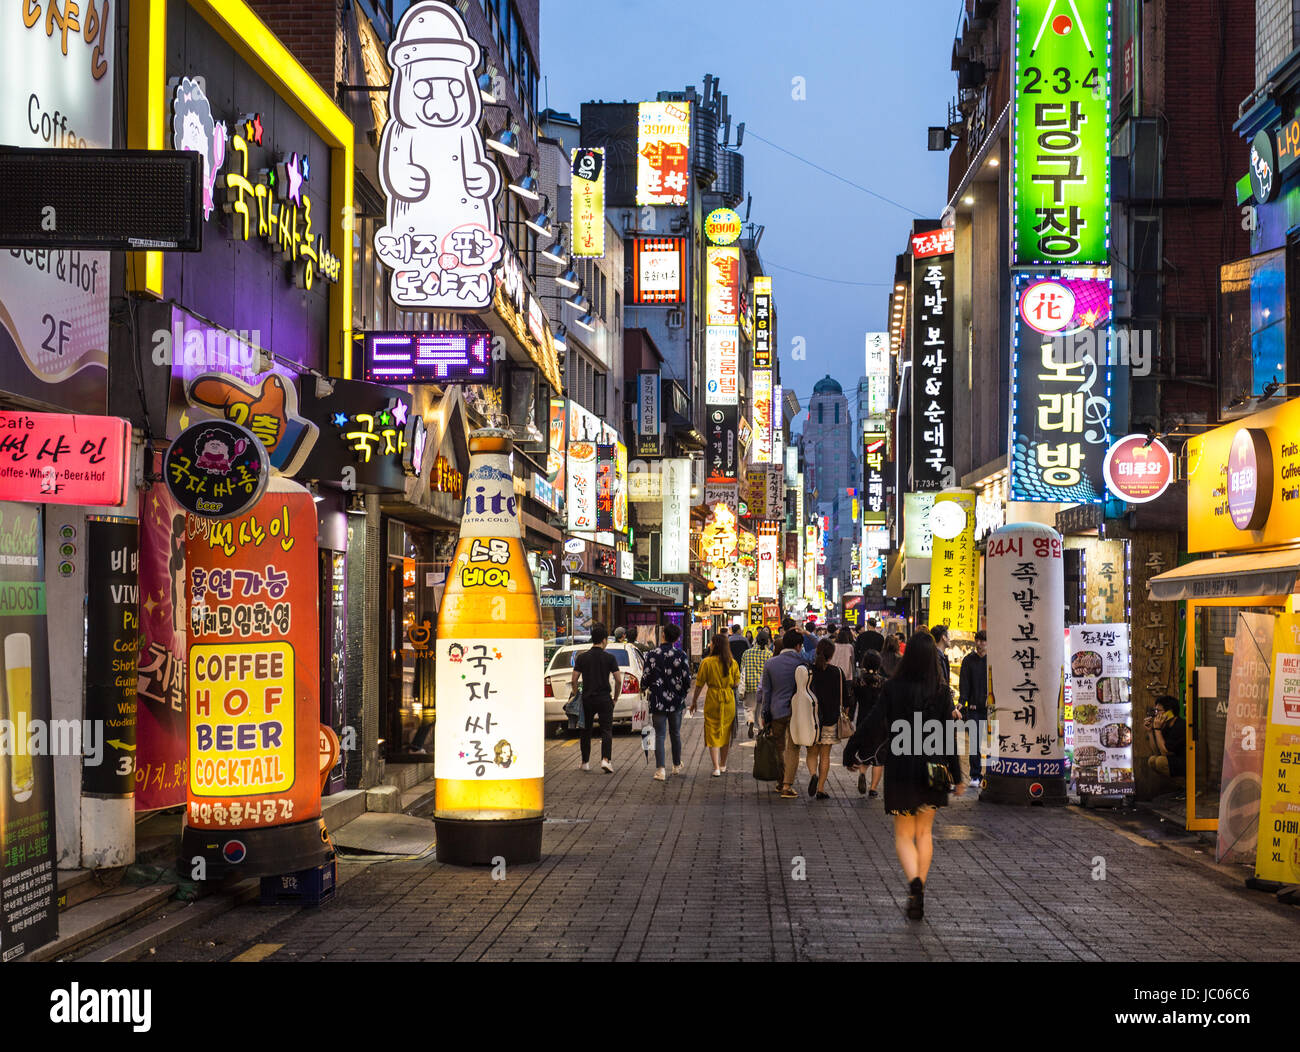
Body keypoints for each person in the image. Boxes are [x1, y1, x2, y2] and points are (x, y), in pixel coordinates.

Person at [880, 631, 965, 920]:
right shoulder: (941, 692)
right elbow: (946, 738)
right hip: (934, 769)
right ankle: (920, 889)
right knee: (924, 832)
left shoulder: (893, 688)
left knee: (903, 834)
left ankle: (914, 883)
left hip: (902, 767)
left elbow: (876, 722)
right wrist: (958, 775)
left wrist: (854, 750)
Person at [761, 629, 810, 799]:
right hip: (797, 711)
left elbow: (766, 692)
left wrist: (764, 713)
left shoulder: (770, 663)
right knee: (793, 748)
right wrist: (809, 634)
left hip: (776, 711)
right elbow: (821, 650)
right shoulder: (803, 661)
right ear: (798, 646)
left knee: (778, 747)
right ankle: (787, 785)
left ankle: (780, 781)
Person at [643, 622, 692, 781]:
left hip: (657, 700)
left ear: (662, 635)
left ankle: (660, 770)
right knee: (675, 733)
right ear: (676, 638)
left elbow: (645, 678)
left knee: (659, 735)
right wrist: (682, 694)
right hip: (676, 701)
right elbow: (687, 680)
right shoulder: (681, 655)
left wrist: (645, 688)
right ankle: (676, 765)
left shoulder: (651, 655)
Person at [571, 623, 621, 773]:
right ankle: (605, 760)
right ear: (604, 640)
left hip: (587, 699)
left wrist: (576, 695)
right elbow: (618, 680)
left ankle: (585, 762)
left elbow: (574, 679)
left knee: (585, 731)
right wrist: (615, 698)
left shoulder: (582, 657)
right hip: (605, 698)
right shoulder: (609, 658)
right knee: (606, 730)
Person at [691, 633, 741, 776]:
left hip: (713, 699)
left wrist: (694, 701)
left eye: (712, 643)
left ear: (715, 645)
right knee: (726, 732)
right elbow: (736, 683)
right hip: (728, 700)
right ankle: (724, 764)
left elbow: (699, 684)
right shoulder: (732, 662)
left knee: (712, 731)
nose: (710, 645)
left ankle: (716, 767)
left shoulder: (706, 662)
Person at [808, 639, 849, 799]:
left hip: (811, 719)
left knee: (812, 753)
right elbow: (846, 699)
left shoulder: (808, 671)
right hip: (830, 719)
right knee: (825, 755)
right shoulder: (837, 672)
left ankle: (812, 775)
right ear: (832, 654)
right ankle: (821, 788)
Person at [958, 630, 989, 786]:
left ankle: (990, 774)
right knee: (975, 744)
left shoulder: (992, 661)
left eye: (983, 641)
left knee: (991, 743)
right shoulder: (968, 660)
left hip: (990, 709)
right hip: (974, 708)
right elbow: (964, 683)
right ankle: (975, 775)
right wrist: (962, 701)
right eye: (978, 640)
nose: (980, 644)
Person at [741, 628, 774, 738]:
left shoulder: (747, 653)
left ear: (756, 640)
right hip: (763, 687)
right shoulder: (769, 654)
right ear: (767, 641)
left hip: (749, 684)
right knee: (760, 710)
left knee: (749, 708)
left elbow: (742, 669)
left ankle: (750, 721)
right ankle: (760, 728)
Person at [1145, 695, 1186, 779]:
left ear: (1170, 712)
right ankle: (1178, 785)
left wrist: (1157, 729)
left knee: (1160, 761)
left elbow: (1165, 752)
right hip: (1174, 761)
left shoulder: (1180, 725)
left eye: (1159, 711)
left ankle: (1183, 784)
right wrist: (1150, 732)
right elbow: (1156, 752)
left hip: (1186, 763)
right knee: (1152, 760)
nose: (1156, 714)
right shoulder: (1166, 726)